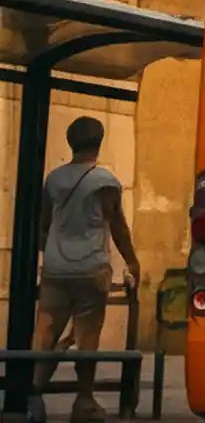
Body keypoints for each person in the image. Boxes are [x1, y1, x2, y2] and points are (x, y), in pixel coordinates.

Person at [29, 117, 141, 423]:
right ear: (99, 142)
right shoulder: (104, 182)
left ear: (70, 142)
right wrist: (132, 262)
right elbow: (118, 228)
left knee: (45, 332)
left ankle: (33, 396)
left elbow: (43, 226)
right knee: (87, 335)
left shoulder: (53, 179)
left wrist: (54, 250)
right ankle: (84, 401)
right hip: (91, 268)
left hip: (55, 267)